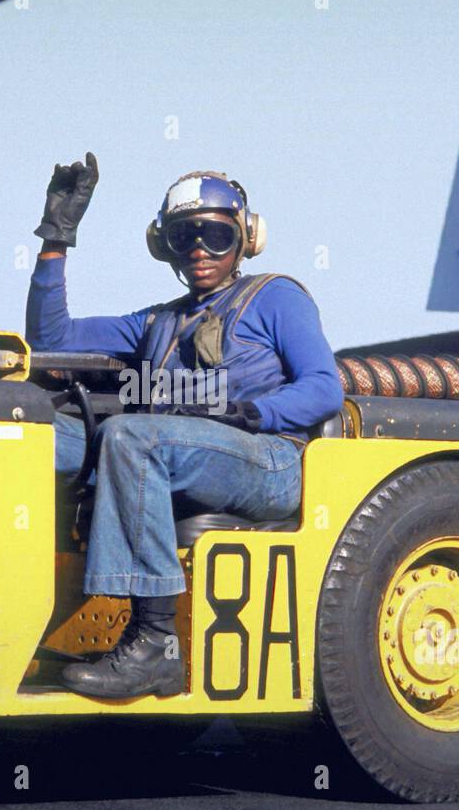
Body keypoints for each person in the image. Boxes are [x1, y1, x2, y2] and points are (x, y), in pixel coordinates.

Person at [26, 153, 343, 698]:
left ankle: (154, 643)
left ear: (245, 239)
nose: (199, 249)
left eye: (216, 236)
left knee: (129, 436)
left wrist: (253, 412)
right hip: (173, 453)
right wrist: (57, 238)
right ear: (164, 246)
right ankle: (24, 604)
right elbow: (52, 339)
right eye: (184, 237)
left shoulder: (276, 297)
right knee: (29, 434)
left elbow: (324, 387)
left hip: (267, 458)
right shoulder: (159, 321)